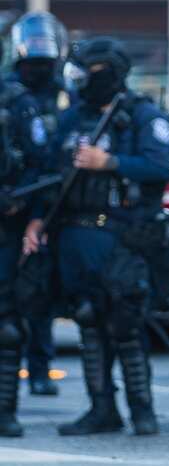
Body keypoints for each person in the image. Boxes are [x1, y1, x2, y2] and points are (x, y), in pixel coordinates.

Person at [24, 37, 169, 436]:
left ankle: (142, 411)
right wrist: (37, 220)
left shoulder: (141, 116)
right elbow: (51, 174)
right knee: (88, 321)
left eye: (89, 73)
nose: (82, 81)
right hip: (76, 235)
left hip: (123, 236)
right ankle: (101, 409)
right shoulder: (74, 118)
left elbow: (159, 167)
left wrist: (110, 162)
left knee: (126, 325)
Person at [5, 11, 70, 397]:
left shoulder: (67, 92)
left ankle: (40, 366)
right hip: (16, 204)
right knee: (13, 295)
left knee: (40, 293)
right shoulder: (10, 93)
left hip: (52, 202)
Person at [0, 52, 49, 436]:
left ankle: (4, 410)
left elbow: (40, 161)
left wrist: (28, 208)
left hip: (6, 223)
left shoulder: (16, 101)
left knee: (7, 322)